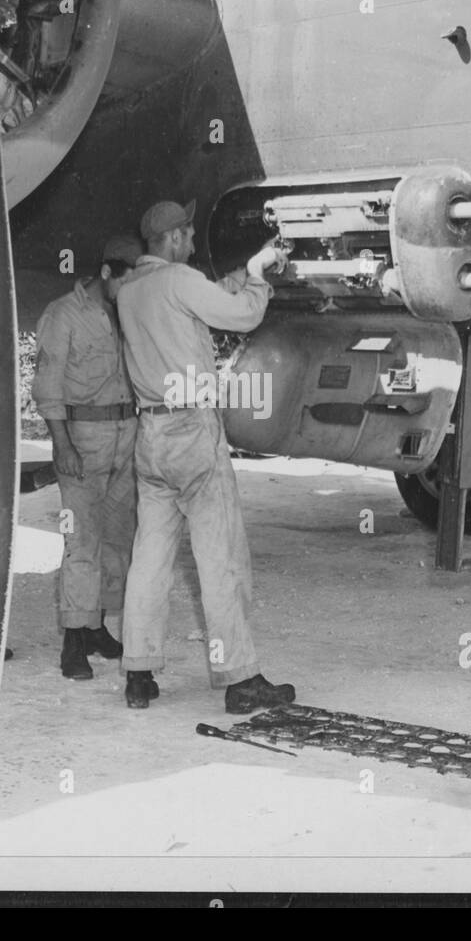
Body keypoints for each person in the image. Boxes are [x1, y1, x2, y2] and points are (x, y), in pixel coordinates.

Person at [116, 199, 295, 713]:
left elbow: (200, 306)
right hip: (193, 431)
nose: (194, 244)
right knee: (221, 558)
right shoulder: (179, 278)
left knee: (149, 560)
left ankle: (139, 673)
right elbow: (241, 316)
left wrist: (240, 274)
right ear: (172, 239)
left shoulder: (130, 291)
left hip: (151, 435)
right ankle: (241, 680)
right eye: (190, 235)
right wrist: (259, 278)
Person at [32, 234, 143, 679]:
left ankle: (96, 625)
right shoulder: (63, 315)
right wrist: (62, 445)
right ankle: (73, 642)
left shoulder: (126, 313)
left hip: (126, 437)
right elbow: (47, 388)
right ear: (105, 273)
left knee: (118, 542)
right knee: (82, 542)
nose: (129, 294)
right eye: (125, 283)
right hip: (83, 438)